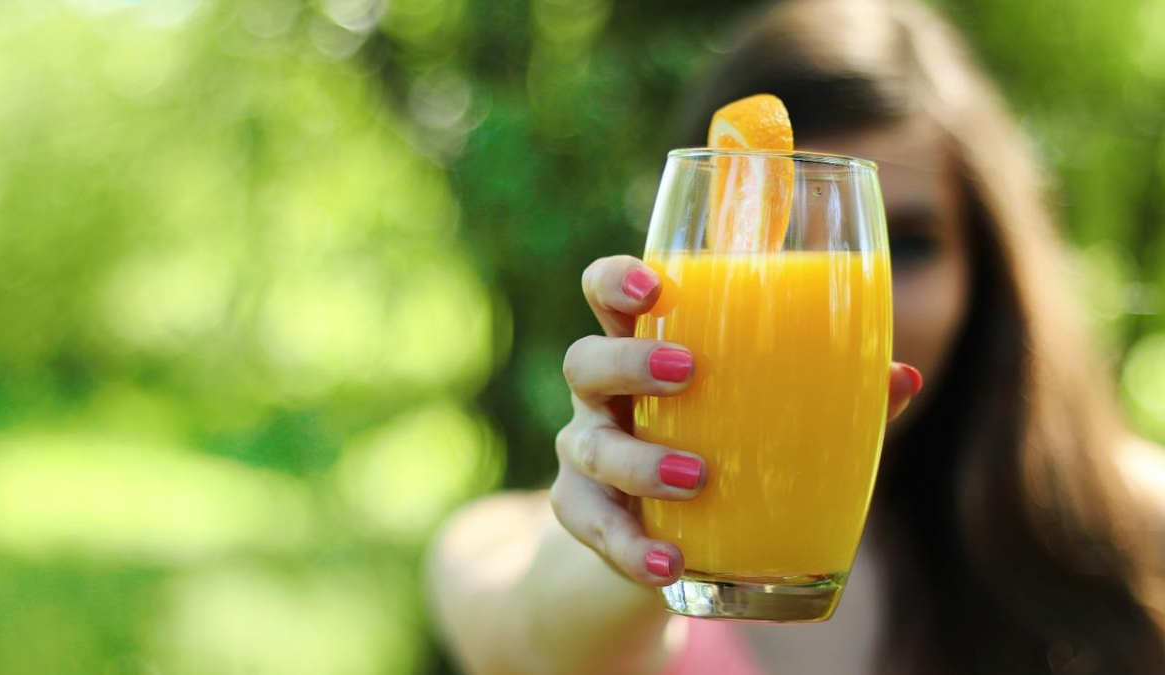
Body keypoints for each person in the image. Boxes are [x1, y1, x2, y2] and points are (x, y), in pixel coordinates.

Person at [426, 0, 1165, 673]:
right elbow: (520, 634)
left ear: (985, 272)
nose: (852, 300)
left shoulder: (1136, 531)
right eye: (774, 236)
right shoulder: (506, 542)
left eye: (905, 243)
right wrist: (631, 542)